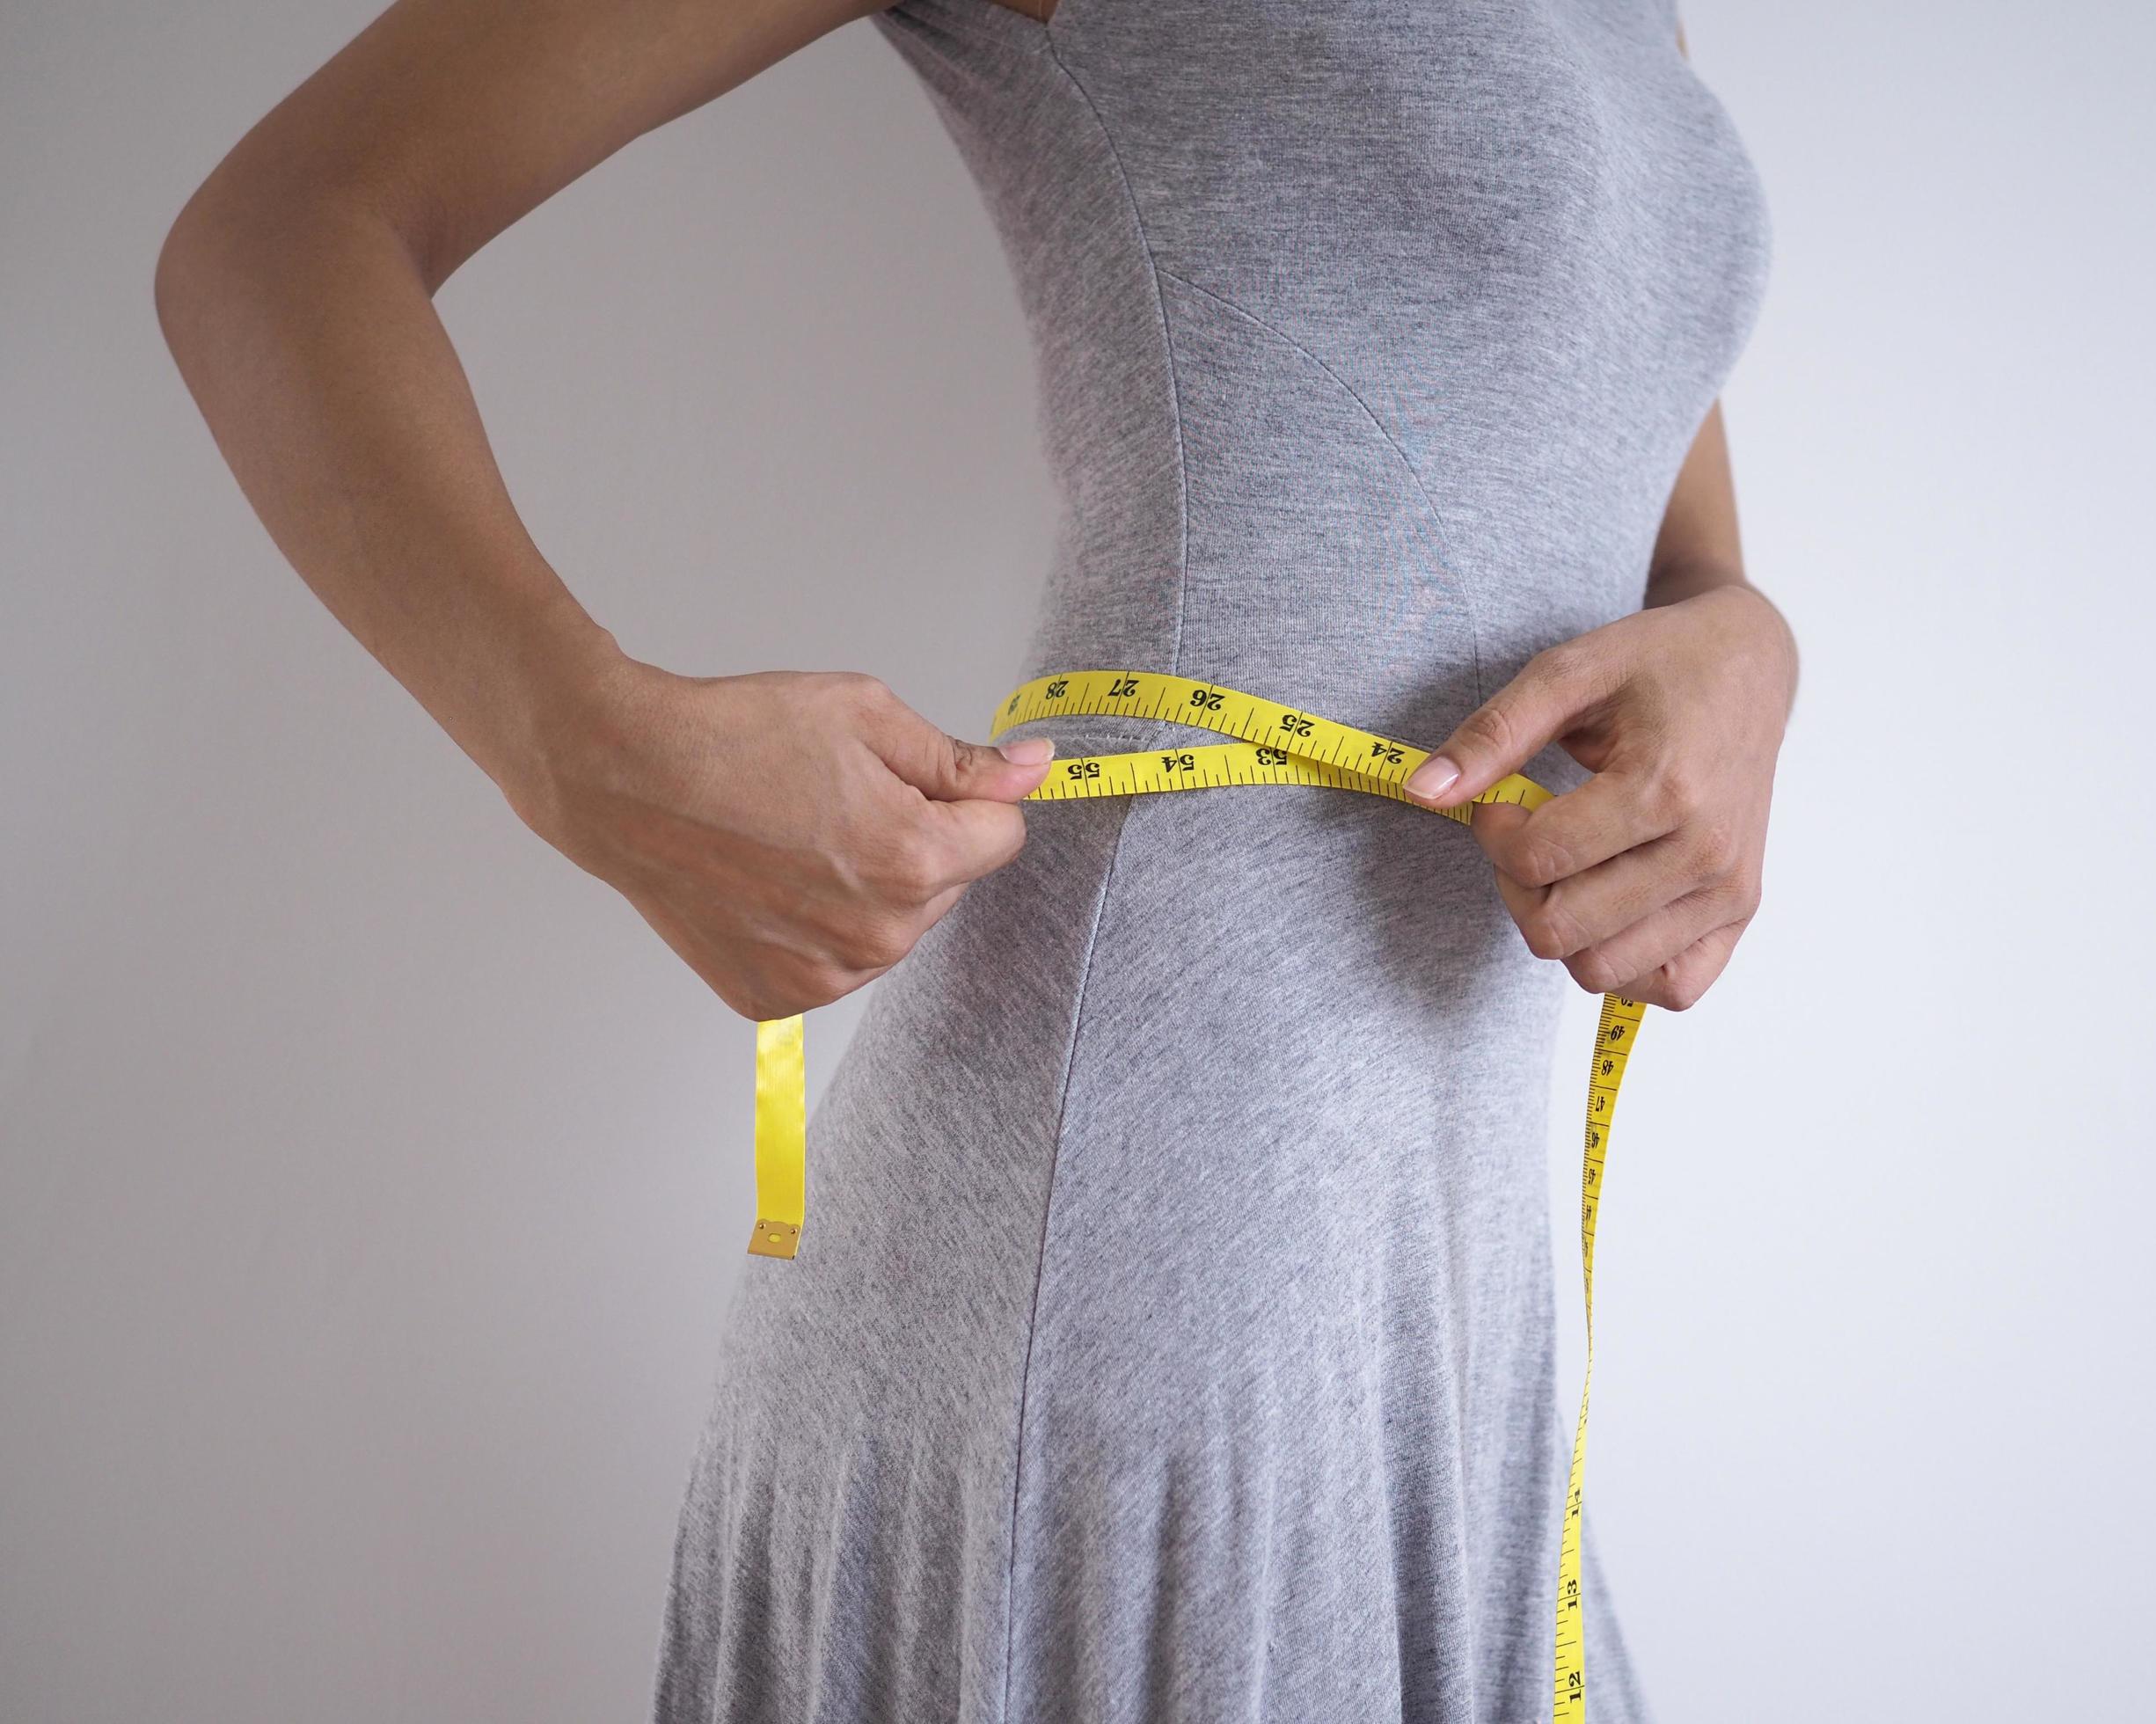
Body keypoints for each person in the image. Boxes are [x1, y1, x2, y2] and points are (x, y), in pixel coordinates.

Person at [155, 0, 1795, 1715]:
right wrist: (582, 746)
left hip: (1461, 1287)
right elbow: (278, 234)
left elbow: (1655, 518)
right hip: (1154, 1250)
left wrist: (1746, 642)